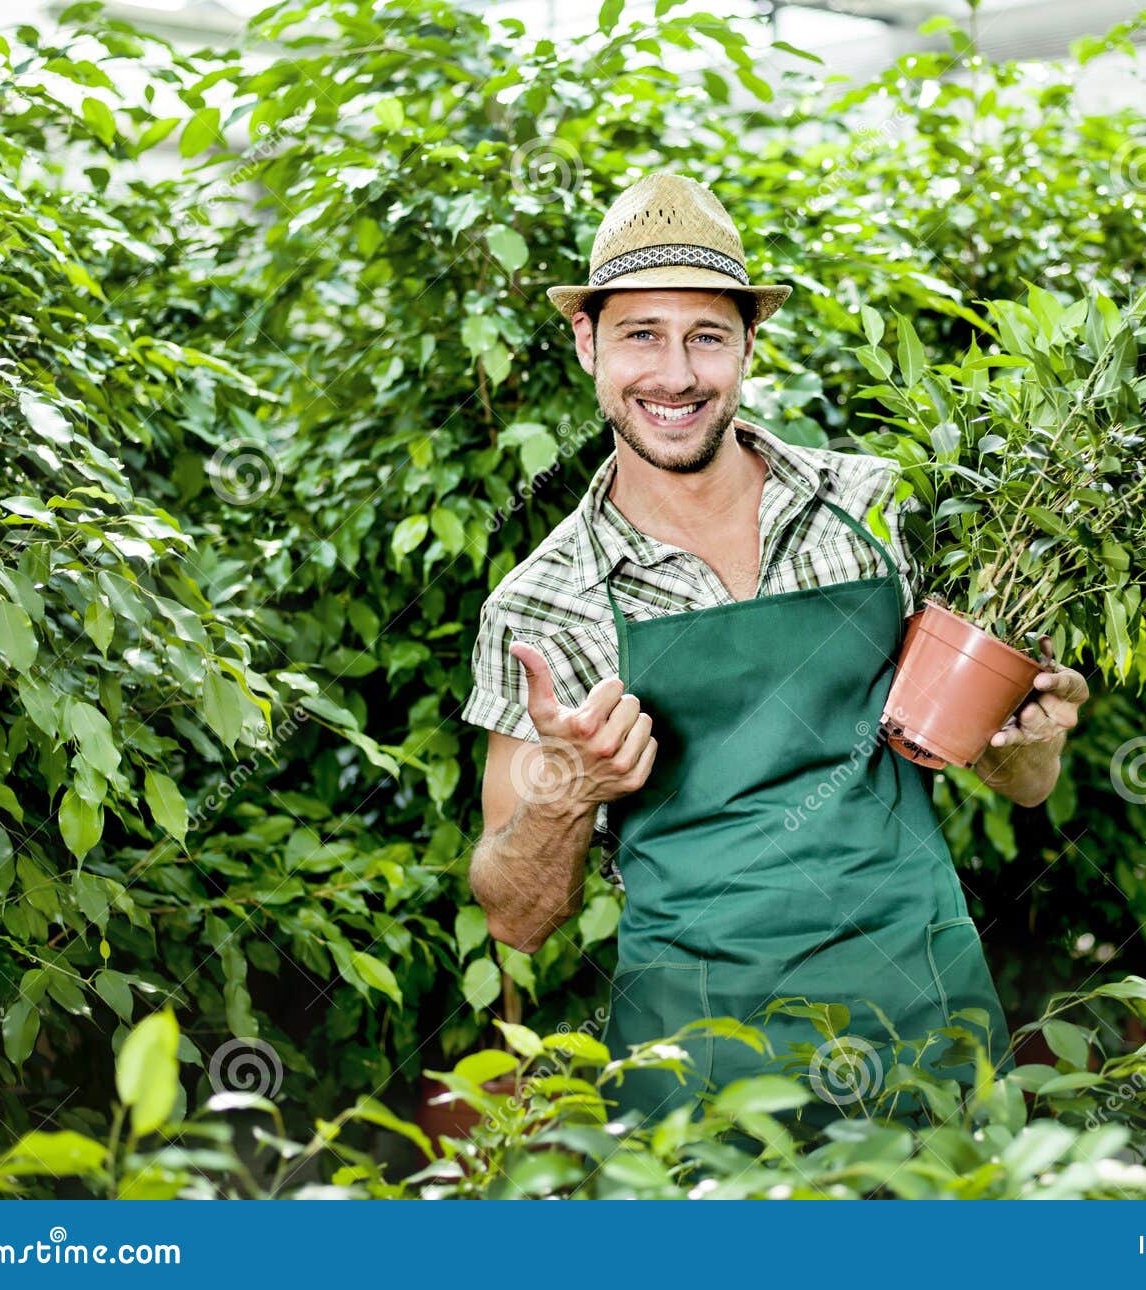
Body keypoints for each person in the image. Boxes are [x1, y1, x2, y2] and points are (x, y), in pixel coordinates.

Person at [459, 171, 1089, 1128]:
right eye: (641, 334)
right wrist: (571, 790)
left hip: (927, 1016)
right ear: (585, 341)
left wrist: (1024, 736)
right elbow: (516, 918)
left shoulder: (884, 510)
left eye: (707, 336)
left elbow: (1026, 782)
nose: (675, 375)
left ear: (749, 344)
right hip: (704, 1062)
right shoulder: (544, 606)